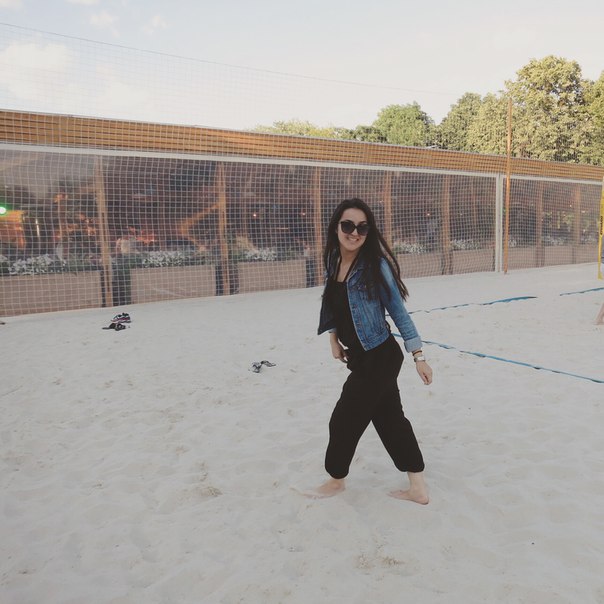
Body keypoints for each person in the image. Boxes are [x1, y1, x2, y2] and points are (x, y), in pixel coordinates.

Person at [315, 198, 433, 504]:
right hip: (360, 356)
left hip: (380, 356)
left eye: (362, 228)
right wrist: (333, 338)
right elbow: (331, 304)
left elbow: (398, 311)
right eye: (348, 225)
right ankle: (418, 487)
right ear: (336, 227)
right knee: (390, 420)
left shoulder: (374, 266)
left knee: (343, 420)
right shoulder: (333, 261)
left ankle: (336, 480)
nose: (354, 233)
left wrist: (418, 356)